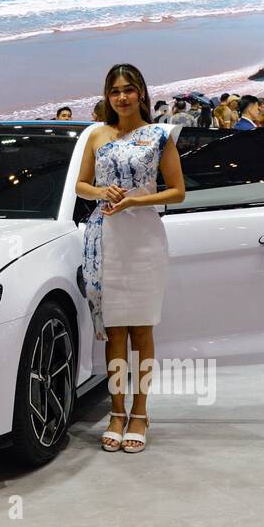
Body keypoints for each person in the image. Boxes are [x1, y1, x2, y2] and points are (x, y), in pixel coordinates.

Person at [76, 64, 186, 455]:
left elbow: (177, 191)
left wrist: (137, 200)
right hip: (106, 240)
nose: (121, 97)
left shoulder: (161, 135)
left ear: (141, 93)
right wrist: (101, 191)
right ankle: (116, 413)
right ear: (107, 96)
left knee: (141, 331)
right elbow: (80, 185)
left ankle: (140, 411)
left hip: (143, 240)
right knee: (115, 332)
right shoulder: (95, 134)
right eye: (114, 91)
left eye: (129, 89)